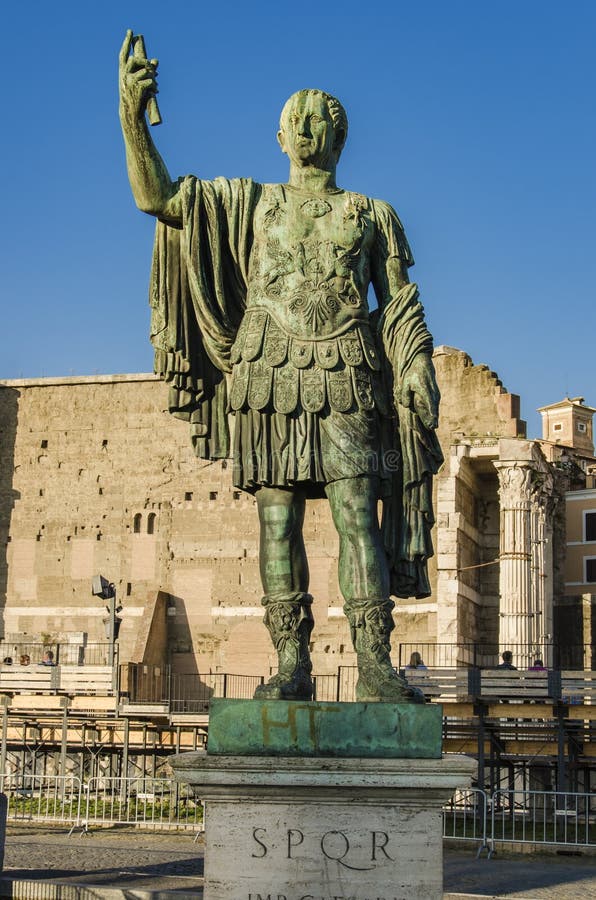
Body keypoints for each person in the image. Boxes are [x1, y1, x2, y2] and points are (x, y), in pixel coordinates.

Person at [119, 32, 443, 704]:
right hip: (269, 374)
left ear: (338, 135)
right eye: (293, 116)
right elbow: (160, 199)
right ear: (279, 136)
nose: (303, 124)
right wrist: (131, 116)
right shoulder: (248, 202)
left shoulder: (373, 213)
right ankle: (292, 664)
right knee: (276, 522)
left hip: (348, 373)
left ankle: (375, 666)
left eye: (317, 115)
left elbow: (400, 303)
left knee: (357, 513)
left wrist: (415, 367)